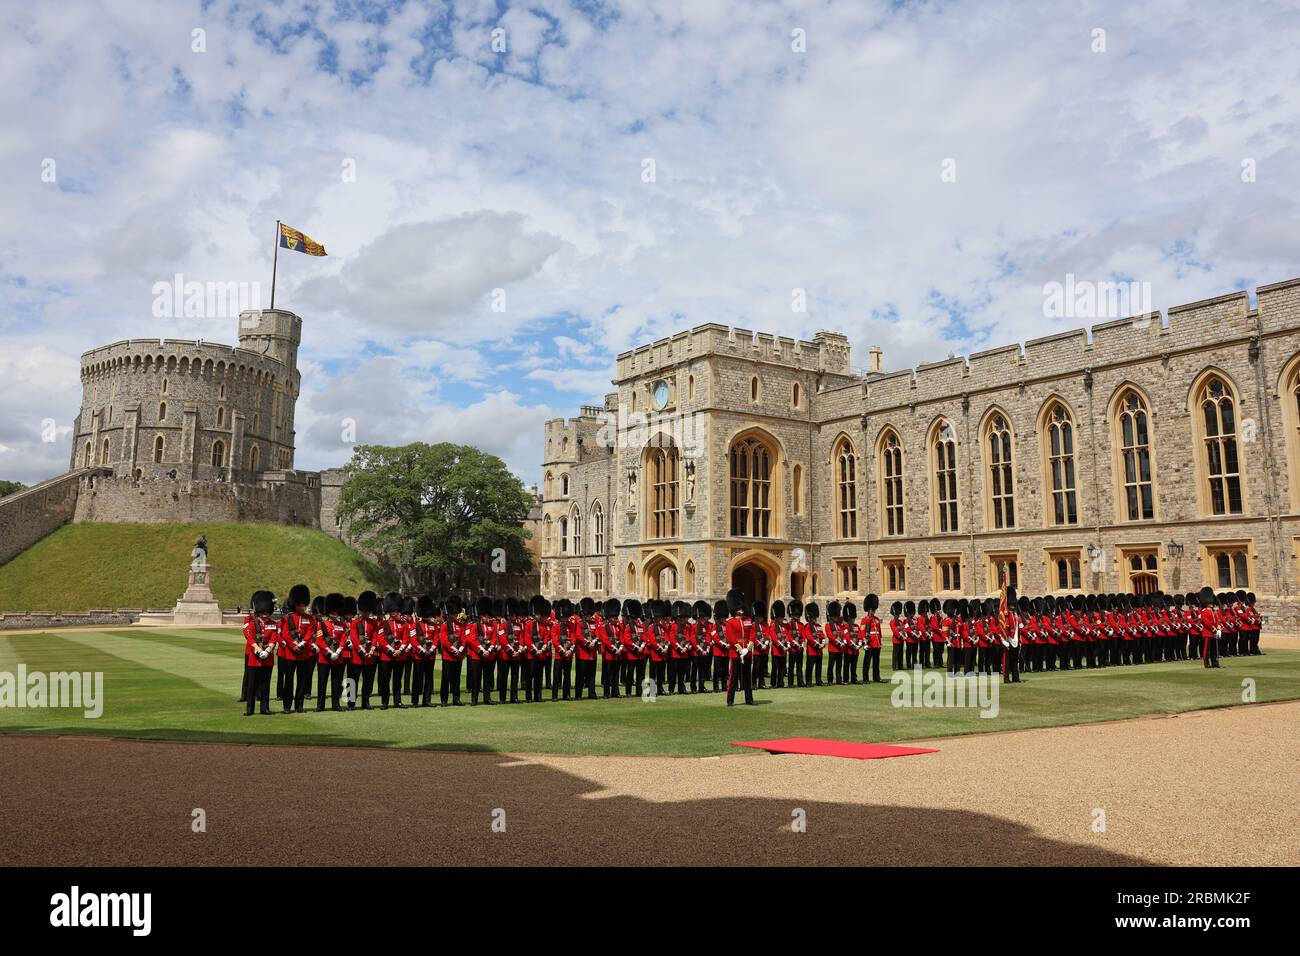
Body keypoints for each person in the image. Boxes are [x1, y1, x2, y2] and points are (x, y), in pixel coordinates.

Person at [243, 590, 277, 716]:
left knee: (265, 685)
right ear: (259, 612)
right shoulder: (252, 624)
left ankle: (265, 708)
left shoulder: (273, 624)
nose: (265, 615)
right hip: (254, 658)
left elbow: (274, 638)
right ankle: (249, 709)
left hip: (267, 658)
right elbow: (250, 638)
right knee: (252, 686)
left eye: (267, 612)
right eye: (263, 612)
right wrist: (258, 650)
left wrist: (268, 651)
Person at [315, 592, 349, 711]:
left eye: (337, 612)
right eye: (334, 612)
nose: (336, 614)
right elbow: (319, 641)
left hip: (338, 657)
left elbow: (344, 639)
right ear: (329, 611)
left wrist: (338, 651)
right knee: (322, 682)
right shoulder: (322, 625)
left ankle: (336, 704)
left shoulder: (342, 625)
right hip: (324, 658)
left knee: (336, 682)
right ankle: (320, 705)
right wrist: (330, 653)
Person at [724, 588, 754, 706]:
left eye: (741, 608)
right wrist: (740, 649)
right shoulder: (730, 622)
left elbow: (752, 635)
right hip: (736, 653)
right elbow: (731, 637)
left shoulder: (748, 620)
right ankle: (730, 700)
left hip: (747, 652)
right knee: (733, 677)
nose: (741, 610)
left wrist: (748, 648)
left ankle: (749, 699)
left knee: (747, 677)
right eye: (738, 608)